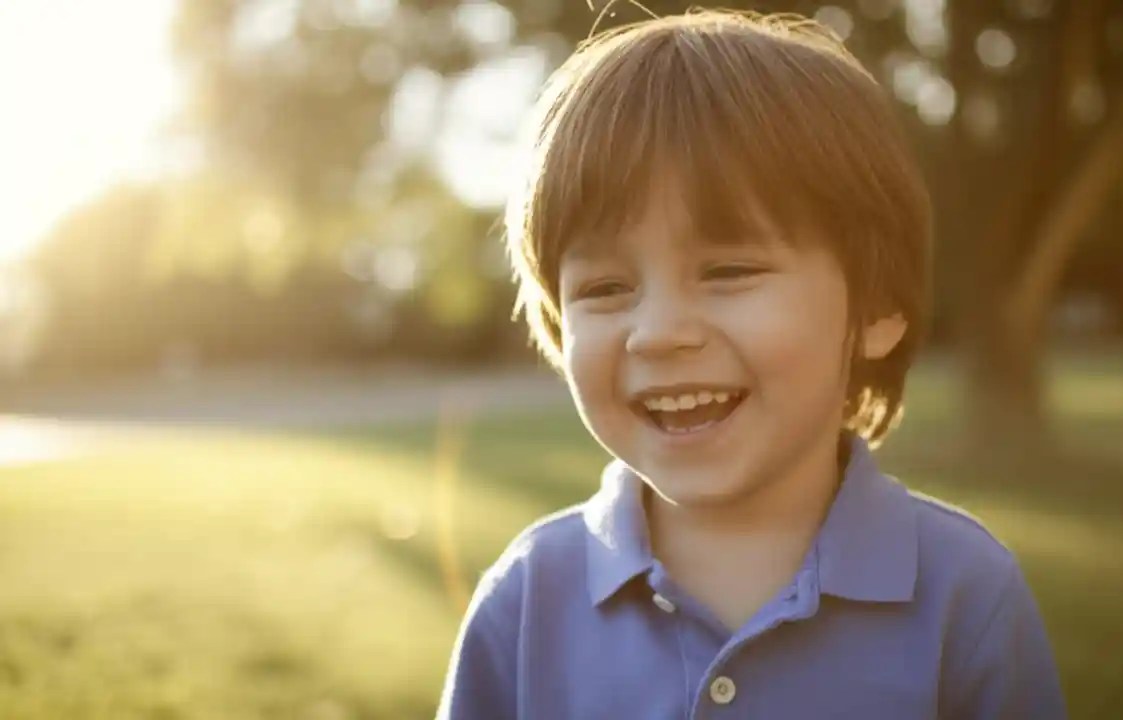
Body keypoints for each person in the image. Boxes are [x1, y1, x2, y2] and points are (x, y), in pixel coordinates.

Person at [438, 9, 1065, 719]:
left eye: (729, 271)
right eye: (605, 289)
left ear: (877, 310)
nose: (659, 334)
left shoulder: (963, 592)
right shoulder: (526, 600)